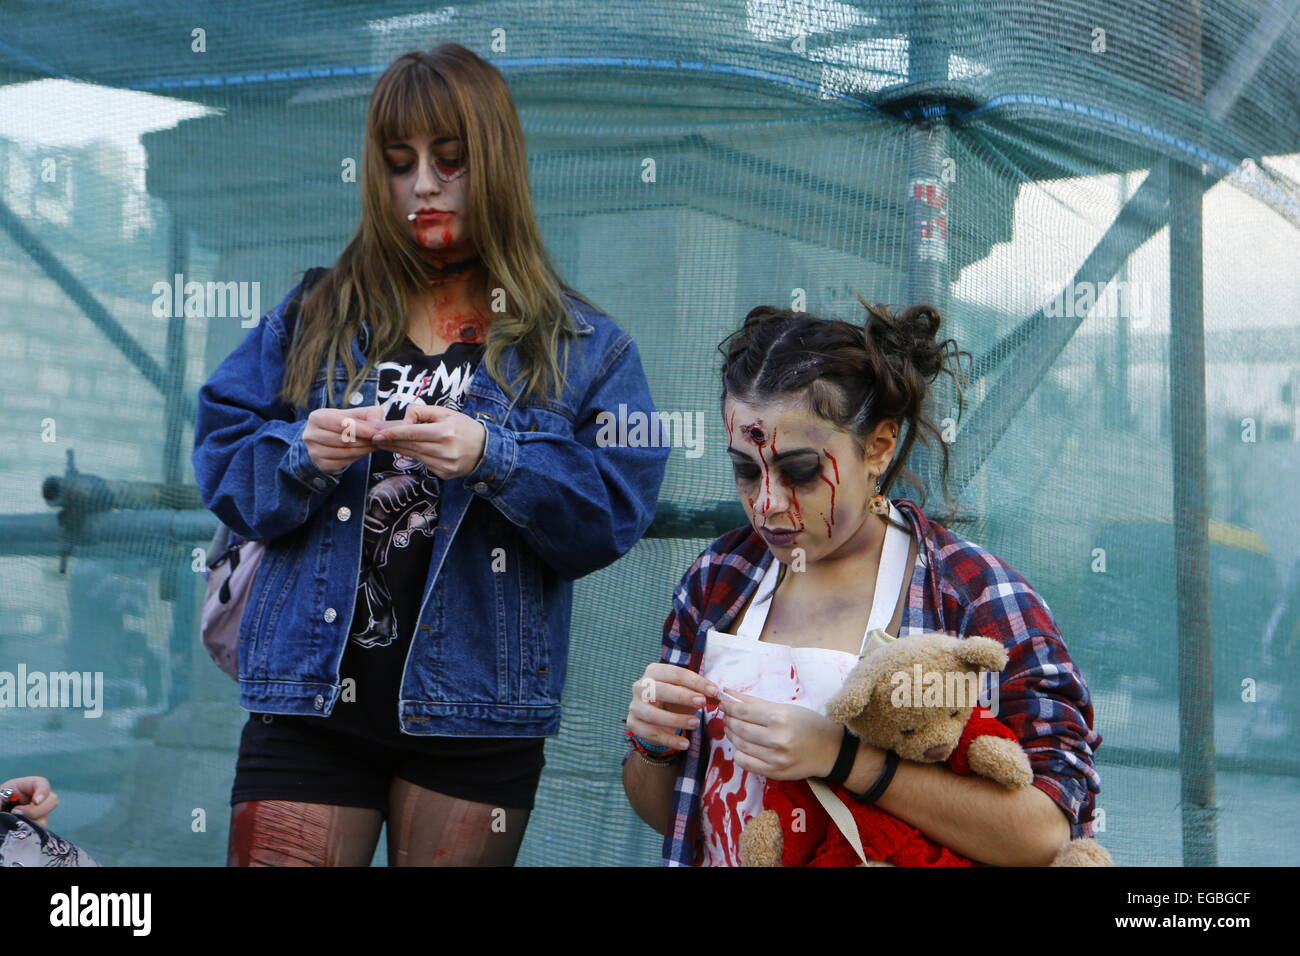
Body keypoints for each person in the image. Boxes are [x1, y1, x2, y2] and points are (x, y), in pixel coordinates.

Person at [192, 43, 667, 866]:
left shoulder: (584, 345)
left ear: (498, 168)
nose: (423, 185)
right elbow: (223, 455)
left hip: (476, 719)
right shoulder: (313, 315)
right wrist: (300, 451)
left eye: (451, 161)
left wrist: (494, 454)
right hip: (306, 710)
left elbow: (612, 516)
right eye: (398, 162)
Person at [622, 301, 1102, 866]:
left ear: (878, 447)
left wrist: (841, 757)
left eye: (800, 472)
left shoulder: (974, 596)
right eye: (747, 471)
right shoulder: (719, 581)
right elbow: (678, 816)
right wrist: (653, 745)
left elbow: (1046, 831)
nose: (768, 505)